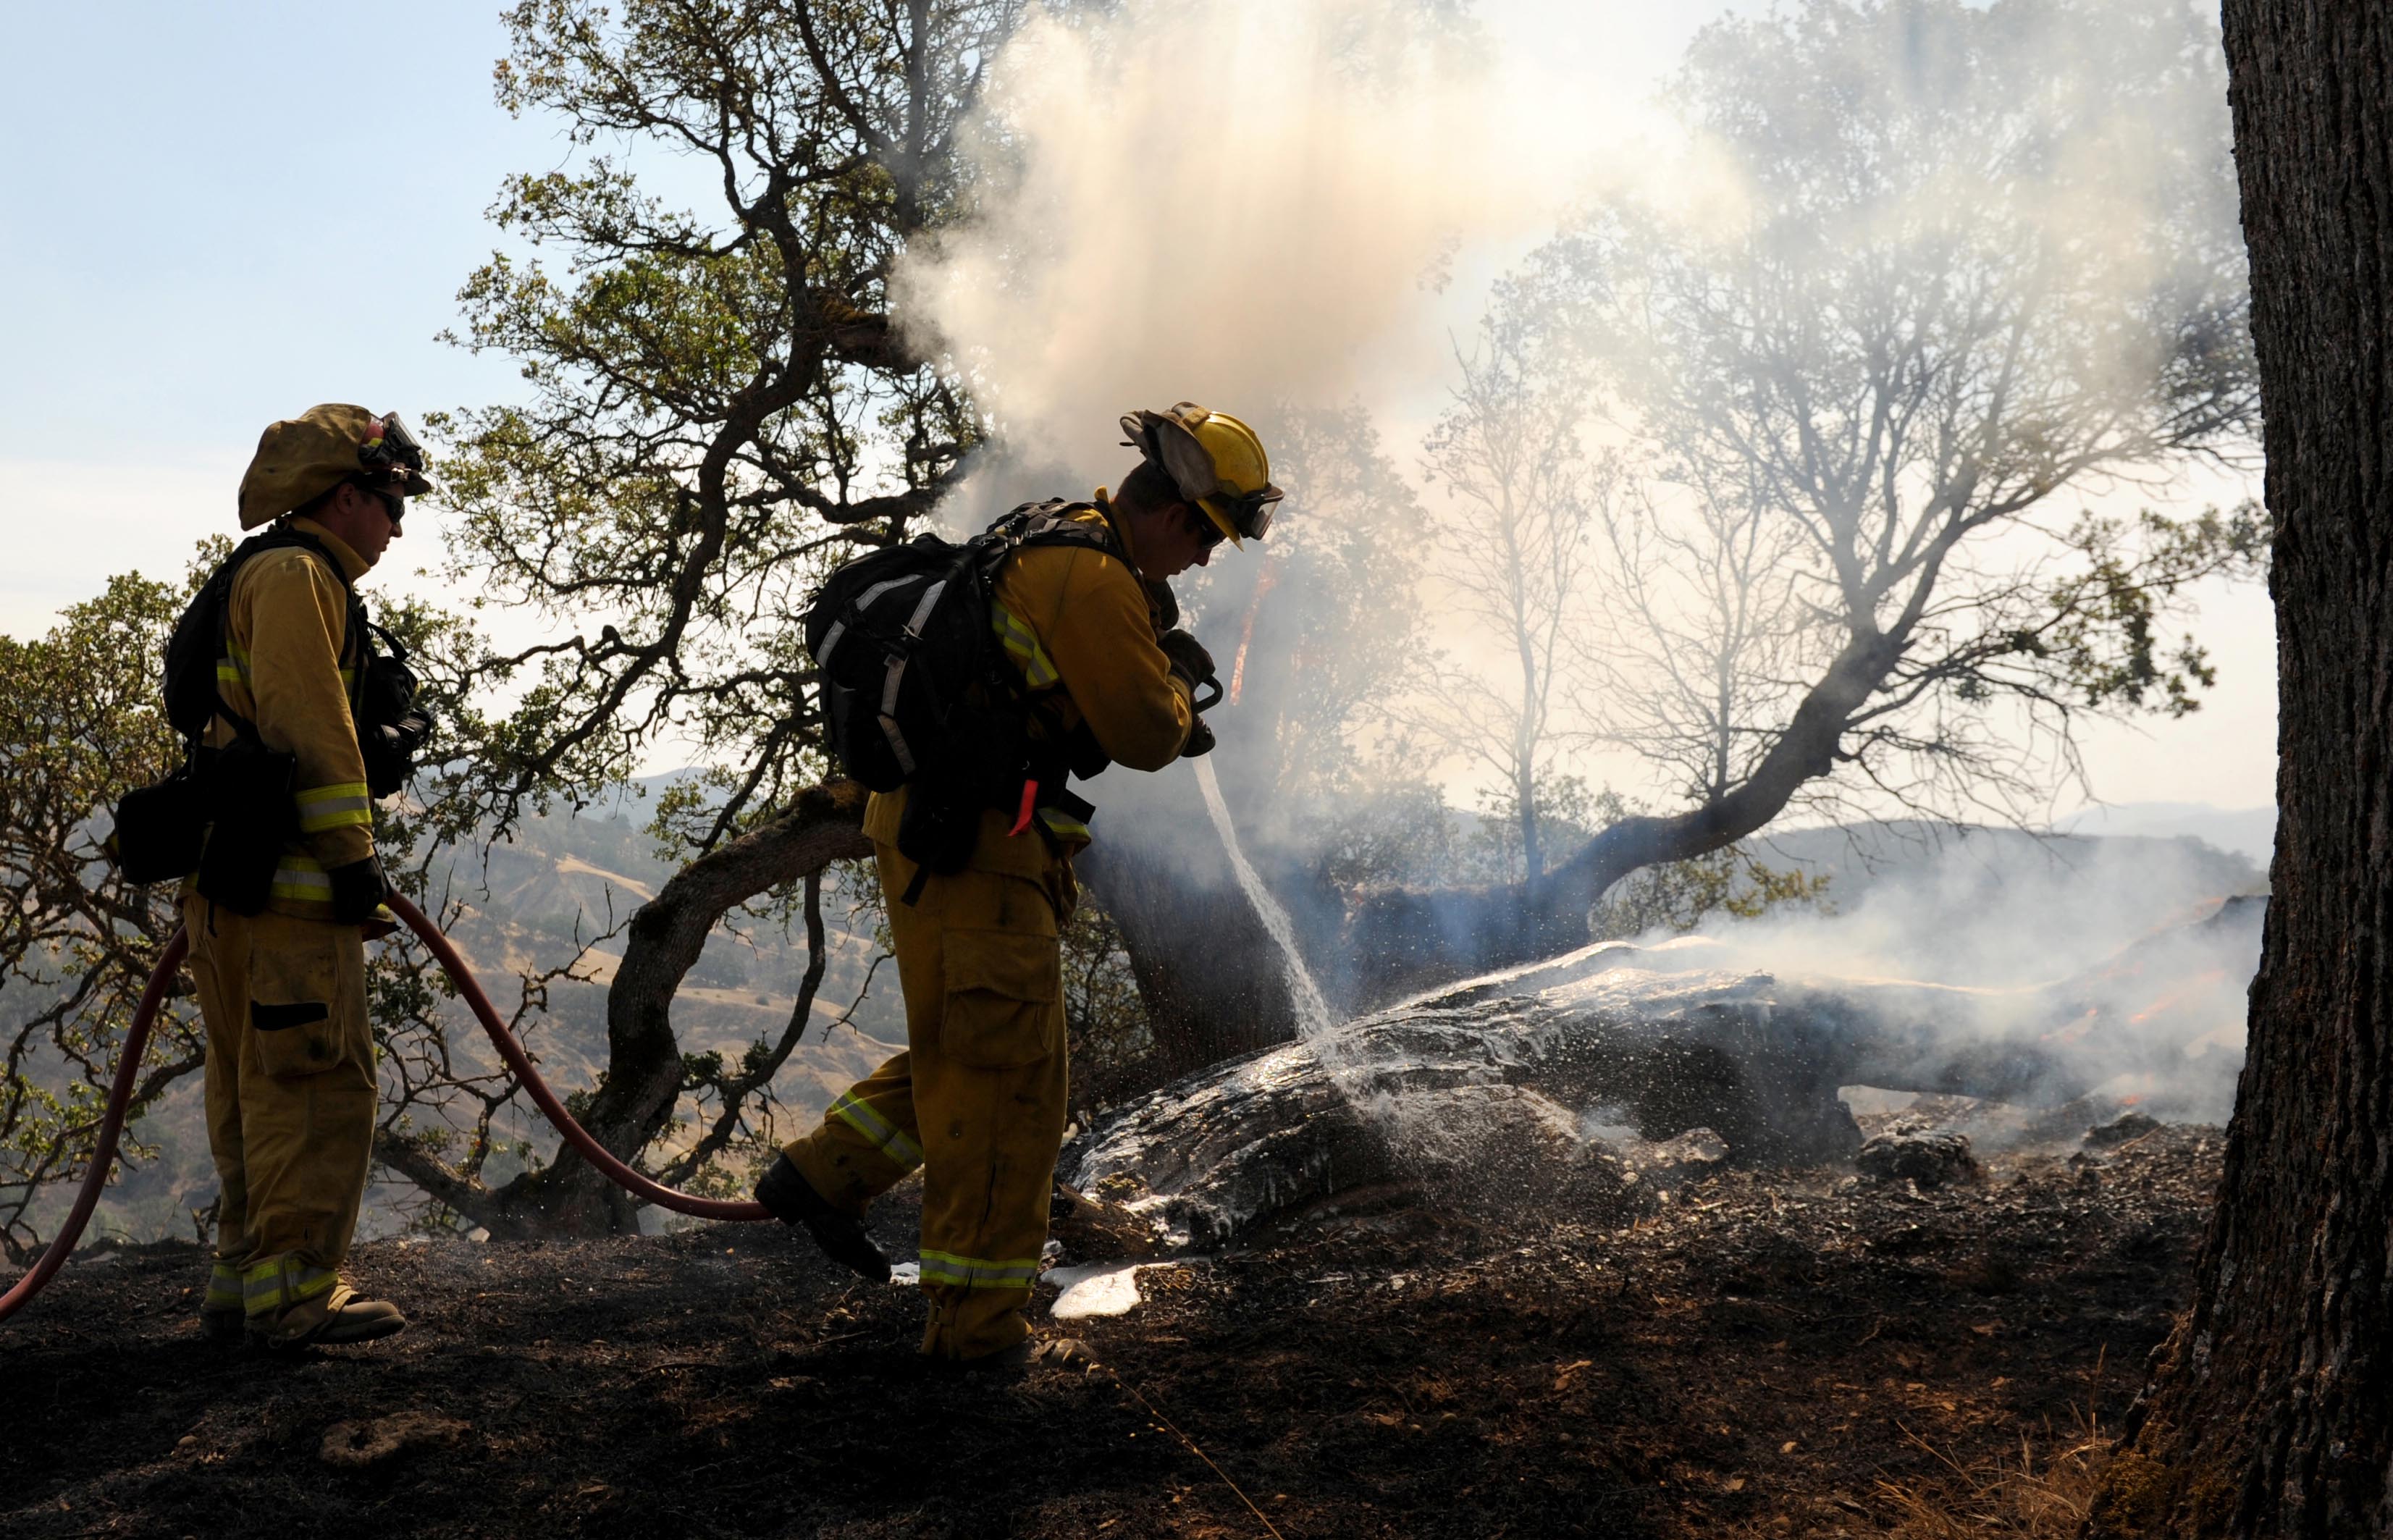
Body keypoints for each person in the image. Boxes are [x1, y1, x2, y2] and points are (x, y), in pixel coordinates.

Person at [758, 402, 1284, 1371]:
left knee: (974, 1044)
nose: (1205, 564)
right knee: (1011, 1089)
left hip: (944, 829)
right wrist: (1174, 690)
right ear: (1173, 514)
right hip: (979, 844)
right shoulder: (1091, 575)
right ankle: (973, 1334)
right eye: (1207, 540)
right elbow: (1142, 733)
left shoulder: (1050, 532)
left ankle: (824, 1176)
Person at [184, 404, 429, 1348]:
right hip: (285, 893)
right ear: (344, 496)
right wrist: (354, 870)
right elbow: (312, 729)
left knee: (252, 1082)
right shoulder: (297, 576)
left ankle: (242, 1283)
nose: (399, 525)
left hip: (234, 887)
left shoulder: (268, 571)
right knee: (317, 1084)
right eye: (391, 503)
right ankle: (291, 1292)